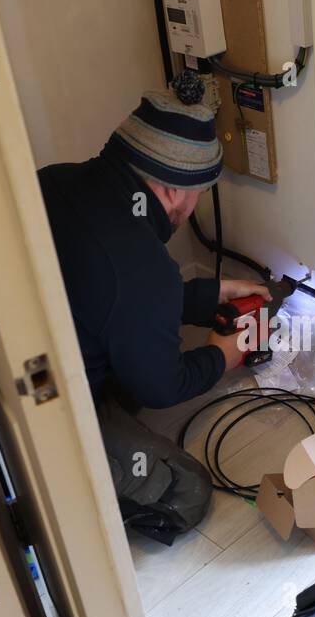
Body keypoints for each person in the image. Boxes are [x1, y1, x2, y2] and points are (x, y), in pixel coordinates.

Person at [38, 75, 269, 544]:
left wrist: (210, 295)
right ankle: (50, 488)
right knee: (185, 489)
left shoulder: (55, 179)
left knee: (127, 372)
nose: (196, 203)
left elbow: (113, 296)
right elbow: (164, 386)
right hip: (30, 410)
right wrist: (226, 353)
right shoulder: (141, 268)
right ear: (174, 190)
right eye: (200, 191)